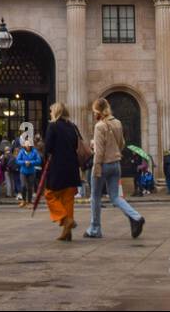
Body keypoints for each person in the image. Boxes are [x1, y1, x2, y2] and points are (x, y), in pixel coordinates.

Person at [82, 97, 145, 239]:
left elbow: (99, 151)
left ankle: (94, 228)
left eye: (94, 111)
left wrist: (96, 167)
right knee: (115, 197)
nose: (94, 114)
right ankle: (136, 217)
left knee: (95, 197)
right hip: (116, 164)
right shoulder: (117, 122)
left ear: (97, 111)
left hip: (102, 164)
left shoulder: (100, 126)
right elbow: (122, 144)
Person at [43, 102, 83, 241]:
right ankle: (67, 232)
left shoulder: (53, 126)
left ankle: (66, 220)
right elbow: (76, 145)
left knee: (50, 195)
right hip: (72, 166)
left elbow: (48, 147)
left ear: (56, 112)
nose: (50, 114)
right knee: (68, 198)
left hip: (58, 167)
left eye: (51, 111)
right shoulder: (72, 126)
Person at [16, 138, 43, 207]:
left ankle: (30, 202)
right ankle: (24, 200)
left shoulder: (34, 151)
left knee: (30, 187)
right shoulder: (21, 152)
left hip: (31, 171)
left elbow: (39, 161)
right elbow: (17, 160)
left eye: (28, 144)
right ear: (24, 145)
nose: (27, 146)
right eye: (26, 144)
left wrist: (31, 163)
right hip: (23, 171)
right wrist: (24, 162)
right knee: (23, 186)